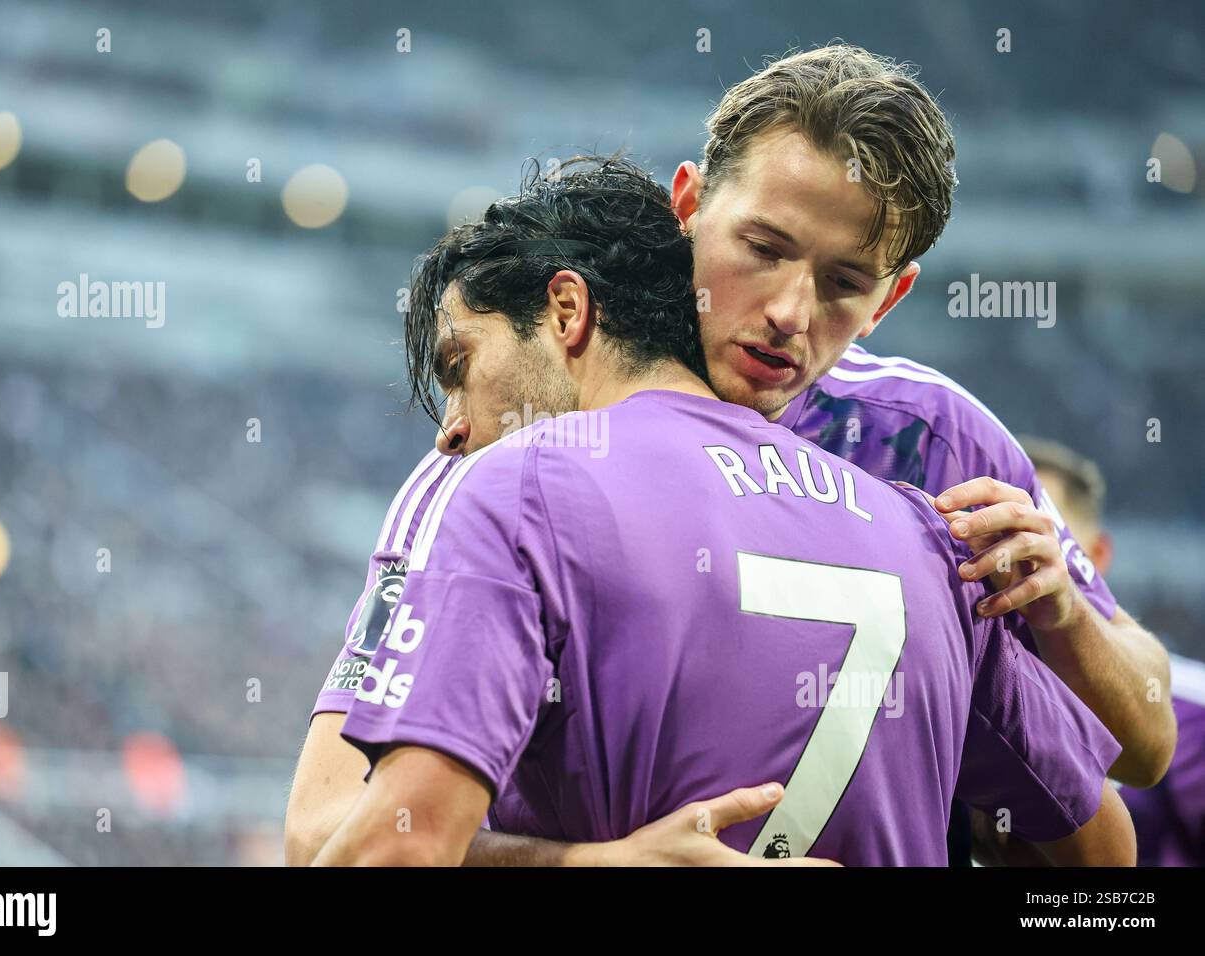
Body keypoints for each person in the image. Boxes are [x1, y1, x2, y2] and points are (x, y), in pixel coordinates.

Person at [287, 43, 1170, 866]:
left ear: (889, 298)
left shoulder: (935, 440)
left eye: (843, 282)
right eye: (764, 248)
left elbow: (1146, 749)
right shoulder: (490, 453)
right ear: (690, 207)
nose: (789, 310)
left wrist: (1064, 618)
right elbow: (324, 826)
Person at [1024, 436, 1204, 867]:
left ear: (1096, 555)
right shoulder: (949, 696)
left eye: (1045, 532)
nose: (1021, 551)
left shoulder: (1192, 716)